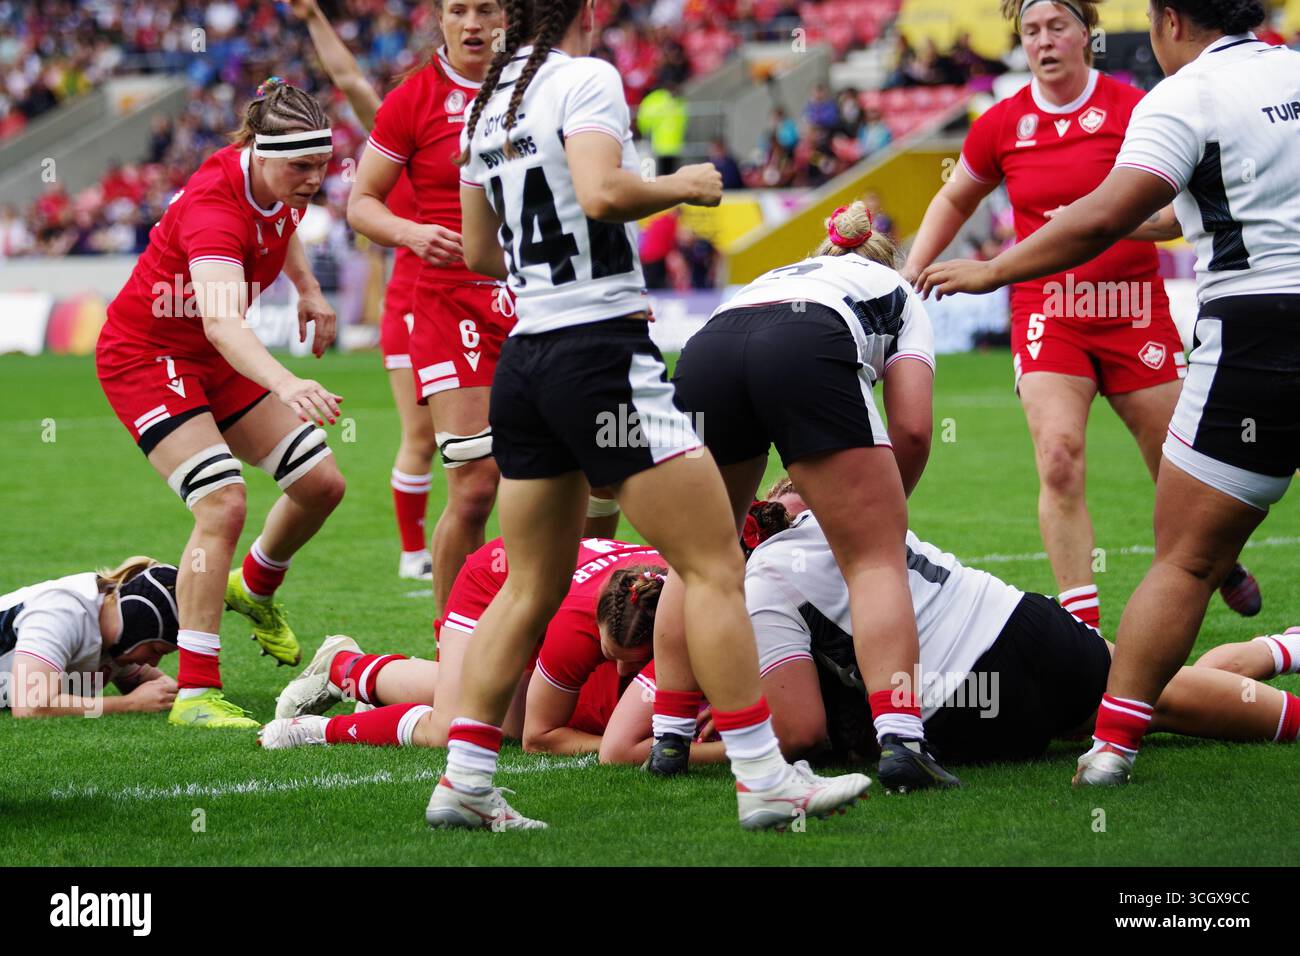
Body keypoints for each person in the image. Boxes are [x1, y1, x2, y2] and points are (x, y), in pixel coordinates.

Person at [427, 0, 870, 831]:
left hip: (525, 360)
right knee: (711, 564)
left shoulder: (487, 103)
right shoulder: (586, 77)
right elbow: (600, 192)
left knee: (529, 584)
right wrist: (683, 187)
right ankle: (764, 779)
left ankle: (465, 778)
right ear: (586, 11)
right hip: (598, 356)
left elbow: (483, 251)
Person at [916, 0, 1300, 786]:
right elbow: (1179, 208)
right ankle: (1086, 626)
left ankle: (1113, 746)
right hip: (1058, 315)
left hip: (1233, 333)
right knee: (1060, 455)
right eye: (1031, 29)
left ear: (1163, 20)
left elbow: (1104, 218)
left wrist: (989, 269)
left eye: (1058, 25)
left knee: (1184, 554)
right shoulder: (1290, 71)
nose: (1045, 41)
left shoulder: (1170, 95)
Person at [603, 491, 1300, 767]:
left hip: (963, 699)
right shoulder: (832, 512)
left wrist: (730, 739)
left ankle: (1279, 659)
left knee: (850, 731)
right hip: (1019, 620)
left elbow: (800, 735)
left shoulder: (760, 582)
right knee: (1155, 696)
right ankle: (1283, 667)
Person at [657, 198, 951, 794]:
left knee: (700, 555)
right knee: (873, 560)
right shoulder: (896, 289)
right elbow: (915, 428)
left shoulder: (780, 275)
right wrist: (877, 517)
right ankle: (901, 741)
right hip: (804, 343)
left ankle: (669, 736)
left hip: (711, 343)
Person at [96, 77, 347, 729]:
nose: (315, 179)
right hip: (150, 355)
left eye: (322, 164)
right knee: (223, 502)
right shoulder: (214, 205)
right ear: (262, 155)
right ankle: (196, 694)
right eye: (302, 166)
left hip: (208, 360)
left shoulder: (274, 179)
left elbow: (283, 221)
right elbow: (222, 323)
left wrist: (309, 291)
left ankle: (254, 586)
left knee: (321, 483)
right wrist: (287, 383)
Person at [288, 0, 438, 581]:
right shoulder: (398, 140)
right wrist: (311, 16)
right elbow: (349, 77)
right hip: (413, 300)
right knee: (420, 436)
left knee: (492, 439)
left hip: (483, 297)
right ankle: (411, 555)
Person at [258, 536, 661, 752]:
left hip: (546, 589)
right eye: (612, 656)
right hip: (492, 583)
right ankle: (321, 720)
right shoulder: (576, 626)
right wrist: (622, 746)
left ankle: (354, 671)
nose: (624, 670)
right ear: (596, 627)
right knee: (457, 724)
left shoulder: (663, 598)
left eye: (635, 661)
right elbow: (539, 739)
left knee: (502, 712)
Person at [2, 558, 180, 718]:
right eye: (156, 650)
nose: (155, 662)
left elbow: (157, 687)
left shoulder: (113, 631)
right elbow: (30, 708)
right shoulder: (62, 612)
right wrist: (130, 703)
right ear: (135, 626)